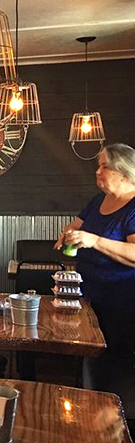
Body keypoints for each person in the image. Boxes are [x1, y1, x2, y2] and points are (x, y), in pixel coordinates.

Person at [55, 143, 135, 385]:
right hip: (90, 296)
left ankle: (114, 416)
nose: (97, 172)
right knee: (93, 362)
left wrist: (95, 241)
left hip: (121, 304)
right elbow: (78, 224)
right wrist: (68, 233)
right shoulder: (99, 200)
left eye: (104, 166)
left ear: (124, 172)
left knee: (114, 368)